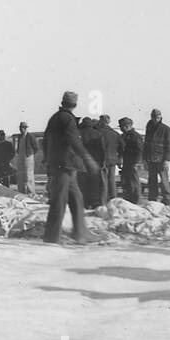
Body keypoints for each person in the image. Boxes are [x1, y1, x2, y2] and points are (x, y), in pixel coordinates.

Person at [42, 92, 99, 244]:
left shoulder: (55, 117)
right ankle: (51, 238)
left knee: (76, 198)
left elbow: (46, 140)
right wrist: (88, 158)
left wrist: (48, 159)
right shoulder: (68, 119)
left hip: (62, 164)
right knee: (59, 200)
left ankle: (80, 233)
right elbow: (73, 140)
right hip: (65, 164)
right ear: (74, 104)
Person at [143, 109, 170, 205]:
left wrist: (167, 160)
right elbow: (146, 144)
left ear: (160, 117)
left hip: (161, 159)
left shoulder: (166, 129)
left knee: (164, 181)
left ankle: (167, 200)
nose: (155, 119)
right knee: (152, 181)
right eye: (154, 117)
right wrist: (145, 159)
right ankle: (152, 200)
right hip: (151, 159)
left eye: (157, 117)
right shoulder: (149, 127)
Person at [118, 117, 144, 204]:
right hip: (127, 162)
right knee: (127, 182)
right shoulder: (125, 136)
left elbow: (139, 150)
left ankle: (136, 200)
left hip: (133, 162)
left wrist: (136, 163)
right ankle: (129, 200)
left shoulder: (135, 136)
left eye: (122, 126)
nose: (121, 128)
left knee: (134, 182)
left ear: (128, 126)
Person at [77, 117, 102, 208]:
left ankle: (84, 202)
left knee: (82, 182)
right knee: (95, 182)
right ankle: (94, 201)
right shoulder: (98, 133)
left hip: (82, 160)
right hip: (94, 161)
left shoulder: (79, 133)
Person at [97, 115, 121, 203]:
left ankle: (103, 201)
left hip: (103, 160)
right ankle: (113, 200)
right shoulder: (115, 133)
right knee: (112, 180)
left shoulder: (99, 132)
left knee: (103, 181)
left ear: (101, 121)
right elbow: (121, 147)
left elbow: (100, 147)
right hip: (113, 160)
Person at [14, 122, 38, 195]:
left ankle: (31, 192)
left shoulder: (30, 136)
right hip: (20, 157)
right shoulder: (20, 137)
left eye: (22, 128)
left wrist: (30, 155)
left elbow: (36, 148)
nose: (21, 129)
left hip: (28, 157)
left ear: (25, 128)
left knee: (28, 175)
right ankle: (21, 192)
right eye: (20, 128)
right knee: (20, 175)